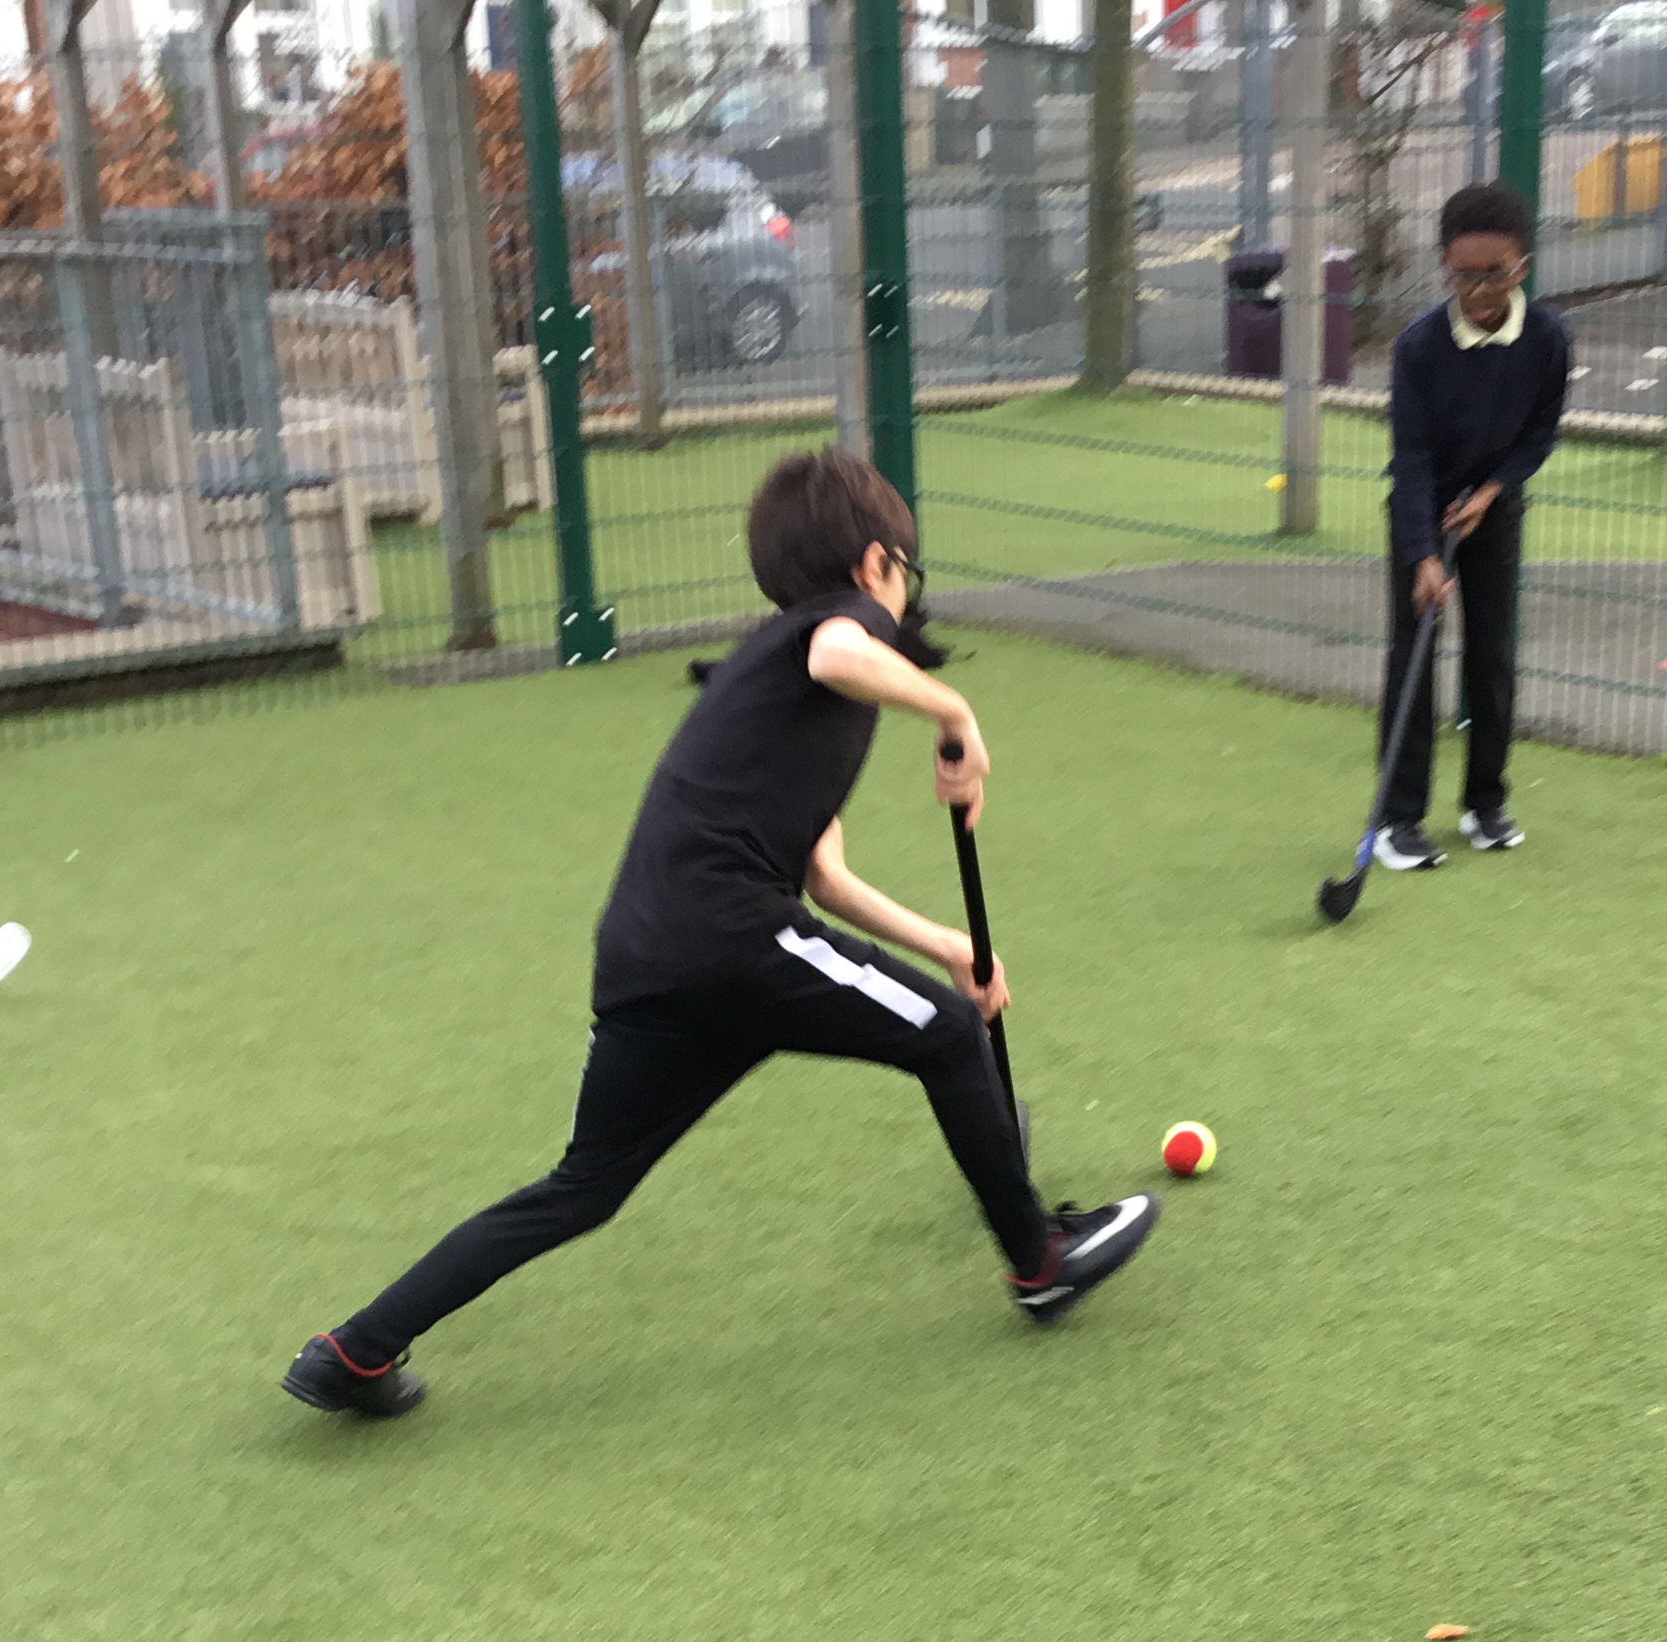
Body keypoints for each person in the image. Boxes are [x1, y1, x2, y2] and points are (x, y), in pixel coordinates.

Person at [281, 448, 1159, 1419]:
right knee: (951, 1034)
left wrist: (943, 945)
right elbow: (840, 652)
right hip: (729, 935)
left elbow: (821, 872)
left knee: (585, 1186)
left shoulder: (766, 683)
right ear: (877, 566)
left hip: (653, 956)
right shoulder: (837, 635)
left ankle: (354, 1350)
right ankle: (1039, 1259)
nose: (904, 599)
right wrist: (954, 712)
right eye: (906, 575)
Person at [1373, 182, 1572, 872]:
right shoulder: (1420, 348)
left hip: (1493, 508)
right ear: (1444, 268)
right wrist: (1425, 555)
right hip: (1422, 510)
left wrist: (1491, 492)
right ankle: (1399, 822)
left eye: (1498, 273)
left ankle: (1484, 804)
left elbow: (1538, 436)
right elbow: (1412, 459)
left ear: (1523, 267)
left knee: (1491, 658)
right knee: (1414, 660)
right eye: (1466, 275)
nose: (1482, 290)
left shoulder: (1547, 338)